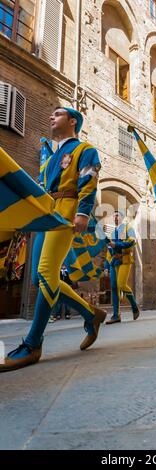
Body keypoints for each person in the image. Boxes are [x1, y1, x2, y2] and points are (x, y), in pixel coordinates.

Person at [0, 107, 107, 373]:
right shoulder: (49, 155)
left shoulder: (85, 149)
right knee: (38, 278)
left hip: (68, 210)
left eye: (57, 114)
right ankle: (90, 314)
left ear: (73, 122)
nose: (50, 117)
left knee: (47, 273)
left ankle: (33, 343)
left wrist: (83, 212)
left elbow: (89, 182)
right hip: (47, 212)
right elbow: (37, 187)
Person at [104, 210, 140, 324]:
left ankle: (134, 307)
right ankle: (116, 315)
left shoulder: (128, 227)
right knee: (114, 287)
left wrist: (117, 244)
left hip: (125, 259)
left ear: (122, 217)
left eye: (117, 215)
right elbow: (109, 250)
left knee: (121, 284)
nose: (115, 217)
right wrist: (106, 265)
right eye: (113, 215)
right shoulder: (112, 233)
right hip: (113, 261)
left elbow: (132, 241)